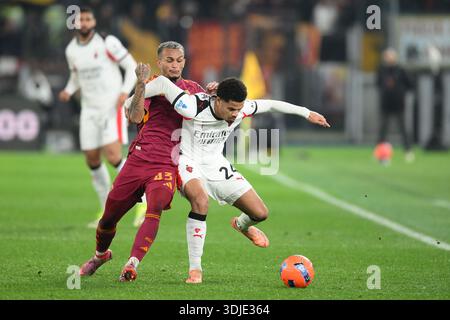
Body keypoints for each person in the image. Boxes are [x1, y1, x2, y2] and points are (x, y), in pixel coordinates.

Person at [125, 71, 330, 284]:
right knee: (201, 202)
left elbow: (270, 104)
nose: (235, 114)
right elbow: (162, 84)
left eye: (238, 109)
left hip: (216, 164)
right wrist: (130, 101)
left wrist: (307, 113)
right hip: (187, 162)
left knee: (260, 213)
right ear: (218, 100)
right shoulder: (192, 106)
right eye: (231, 109)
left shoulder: (240, 109)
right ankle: (195, 269)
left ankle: (241, 225)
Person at [78, 41, 207, 282]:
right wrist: (139, 83)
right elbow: (135, 116)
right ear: (159, 62)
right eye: (169, 60)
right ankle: (100, 255)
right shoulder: (150, 86)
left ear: (184, 62)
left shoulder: (193, 89)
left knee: (155, 207)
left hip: (167, 164)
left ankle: (132, 264)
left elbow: (213, 111)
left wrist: (216, 90)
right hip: (138, 160)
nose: (174, 64)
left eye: (179, 60)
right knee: (108, 220)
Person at [58, 7, 145, 227]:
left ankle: (142, 200)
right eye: (80, 20)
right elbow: (76, 76)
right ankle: (105, 210)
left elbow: (131, 66)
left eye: (88, 19)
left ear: (94, 22)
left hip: (110, 106)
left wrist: (125, 92)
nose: (84, 23)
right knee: (92, 158)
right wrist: (68, 90)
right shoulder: (71, 50)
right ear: (75, 23)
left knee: (113, 155)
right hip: (89, 109)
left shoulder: (108, 43)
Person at [376, 48, 414, 162]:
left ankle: (408, 151)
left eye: (391, 56)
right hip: (386, 104)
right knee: (383, 129)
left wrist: (399, 91)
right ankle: (379, 152)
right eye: (387, 56)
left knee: (403, 128)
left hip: (398, 104)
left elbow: (409, 84)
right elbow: (378, 83)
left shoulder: (400, 70)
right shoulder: (382, 70)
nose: (389, 59)